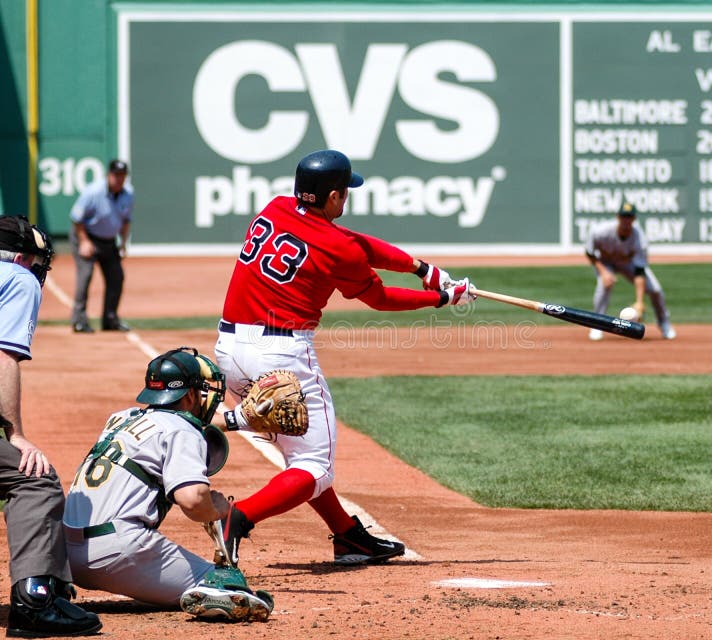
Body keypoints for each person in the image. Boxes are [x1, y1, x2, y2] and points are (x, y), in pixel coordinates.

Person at [214, 149, 475, 567]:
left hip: (230, 352)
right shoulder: (338, 249)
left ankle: (348, 537)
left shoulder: (276, 208)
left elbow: (356, 244)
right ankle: (237, 519)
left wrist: (420, 267)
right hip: (282, 356)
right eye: (345, 194)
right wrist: (442, 297)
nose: (347, 199)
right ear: (333, 196)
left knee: (300, 454)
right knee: (314, 466)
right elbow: (380, 298)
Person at [63, 347, 273, 621]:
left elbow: (166, 424)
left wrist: (238, 420)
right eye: (202, 390)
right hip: (118, 552)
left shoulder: (120, 418)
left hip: (65, 556)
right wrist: (217, 509)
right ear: (189, 395)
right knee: (228, 584)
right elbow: (193, 500)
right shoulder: (182, 430)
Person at [0, 215, 102, 637]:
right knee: (33, 479)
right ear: (22, 257)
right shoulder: (17, 278)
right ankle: (35, 600)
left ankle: (51, 580)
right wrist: (15, 434)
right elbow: (3, 358)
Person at [585, 202, 676, 341]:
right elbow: (590, 252)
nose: (626, 220)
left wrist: (639, 302)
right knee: (604, 285)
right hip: (606, 262)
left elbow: (640, 271)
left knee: (655, 290)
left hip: (628, 264)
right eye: (623, 216)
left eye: (629, 217)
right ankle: (597, 325)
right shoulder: (600, 231)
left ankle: (664, 323)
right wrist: (603, 272)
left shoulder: (639, 237)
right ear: (618, 217)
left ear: (634, 219)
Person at [69, 159, 134, 333]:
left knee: (116, 277)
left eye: (122, 175)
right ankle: (79, 320)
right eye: (116, 175)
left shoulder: (128, 194)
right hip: (86, 236)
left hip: (109, 241)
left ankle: (110, 319)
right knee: (86, 276)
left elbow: (126, 221)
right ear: (109, 175)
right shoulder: (93, 192)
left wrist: (123, 244)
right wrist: (84, 242)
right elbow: (77, 219)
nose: (119, 179)